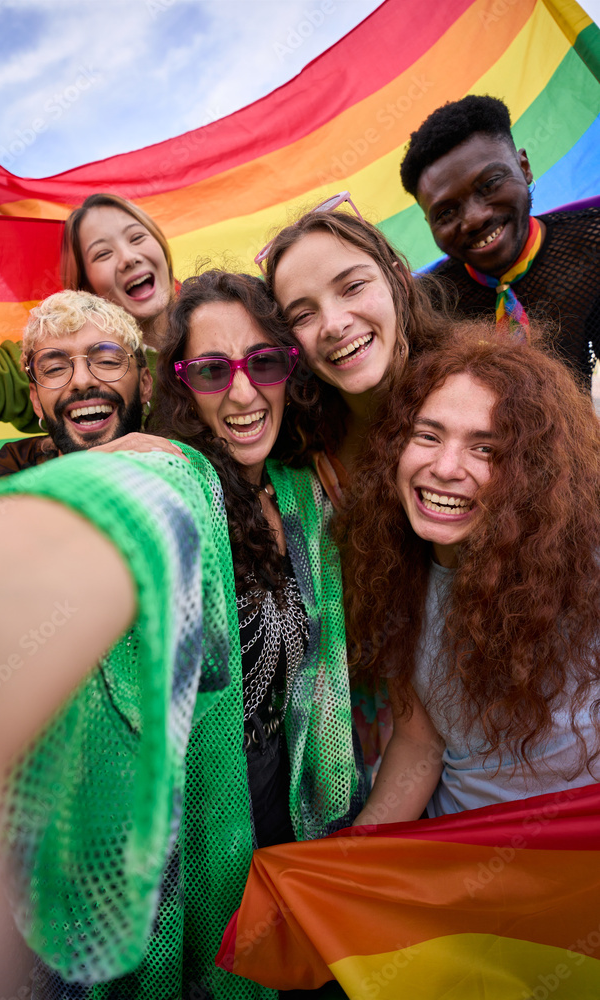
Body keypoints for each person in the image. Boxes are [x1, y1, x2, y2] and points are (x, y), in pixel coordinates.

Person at [0, 270, 362, 1000]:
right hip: (167, 840)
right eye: (207, 370)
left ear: (138, 380)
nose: (239, 390)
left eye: (261, 362)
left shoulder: (307, 488)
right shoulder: (170, 482)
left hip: (303, 824)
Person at [338, 320, 600, 825]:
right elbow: (421, 742)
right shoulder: (391, 569)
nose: (446, 466)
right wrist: (354, 858)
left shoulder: (586, 562)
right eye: (427, 435)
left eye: (486, 449)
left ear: (533, 472)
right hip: (456, 860)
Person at [400, 95, 600, 386]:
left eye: (490, 184)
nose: (474, 219)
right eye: (446, 212)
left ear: (524, 166)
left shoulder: (593, 245)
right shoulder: (426, 309)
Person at [0, 193, 175, 433]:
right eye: (102, 254)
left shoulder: (209, 317)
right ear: (85, 287)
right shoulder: (50, 353)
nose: (128, 258)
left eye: (137, 237)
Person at [260, 196, 448, 505]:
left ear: (398, 280)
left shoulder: (486, 402)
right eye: (304, 316)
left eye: (353, 287)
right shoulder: (297, 455)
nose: (334, 325)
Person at [0, 289, 165, 507]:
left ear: (145, 384)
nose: (81, 380)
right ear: (37, 401)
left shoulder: (180, 464)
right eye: (55, 368)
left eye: (107, 361)